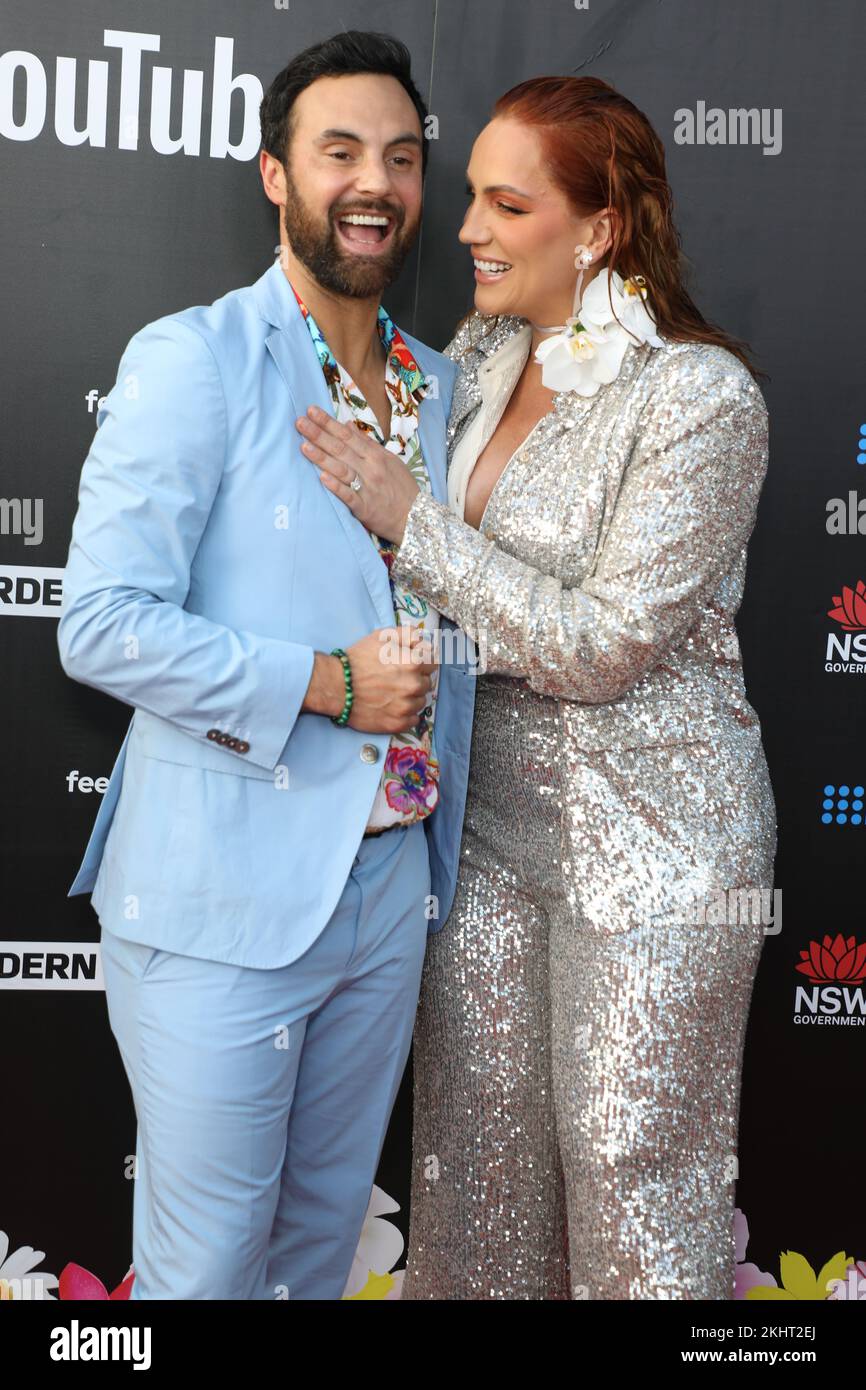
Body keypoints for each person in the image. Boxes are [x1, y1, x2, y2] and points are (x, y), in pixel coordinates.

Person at [295, 74, 778, 1300]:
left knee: (630, 1171)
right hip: (486, 830)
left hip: (655, 839)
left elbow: (604, 643)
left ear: (600, 226)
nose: (465, 228)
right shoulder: (479, 351)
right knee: (477, 1180)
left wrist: (412, 522)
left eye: (507, 206)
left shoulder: (699, 397)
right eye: (469, 195)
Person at [57, 31, 475, 1301]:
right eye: (339, 152)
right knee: (204, 1273)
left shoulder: (441, 388)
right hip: (221, 897)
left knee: (314, 1257)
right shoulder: (195, 357)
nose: (374, 183)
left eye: (399, 157)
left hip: (389, 889)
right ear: (276, 176)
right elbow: (102, 622)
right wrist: (324, 683)